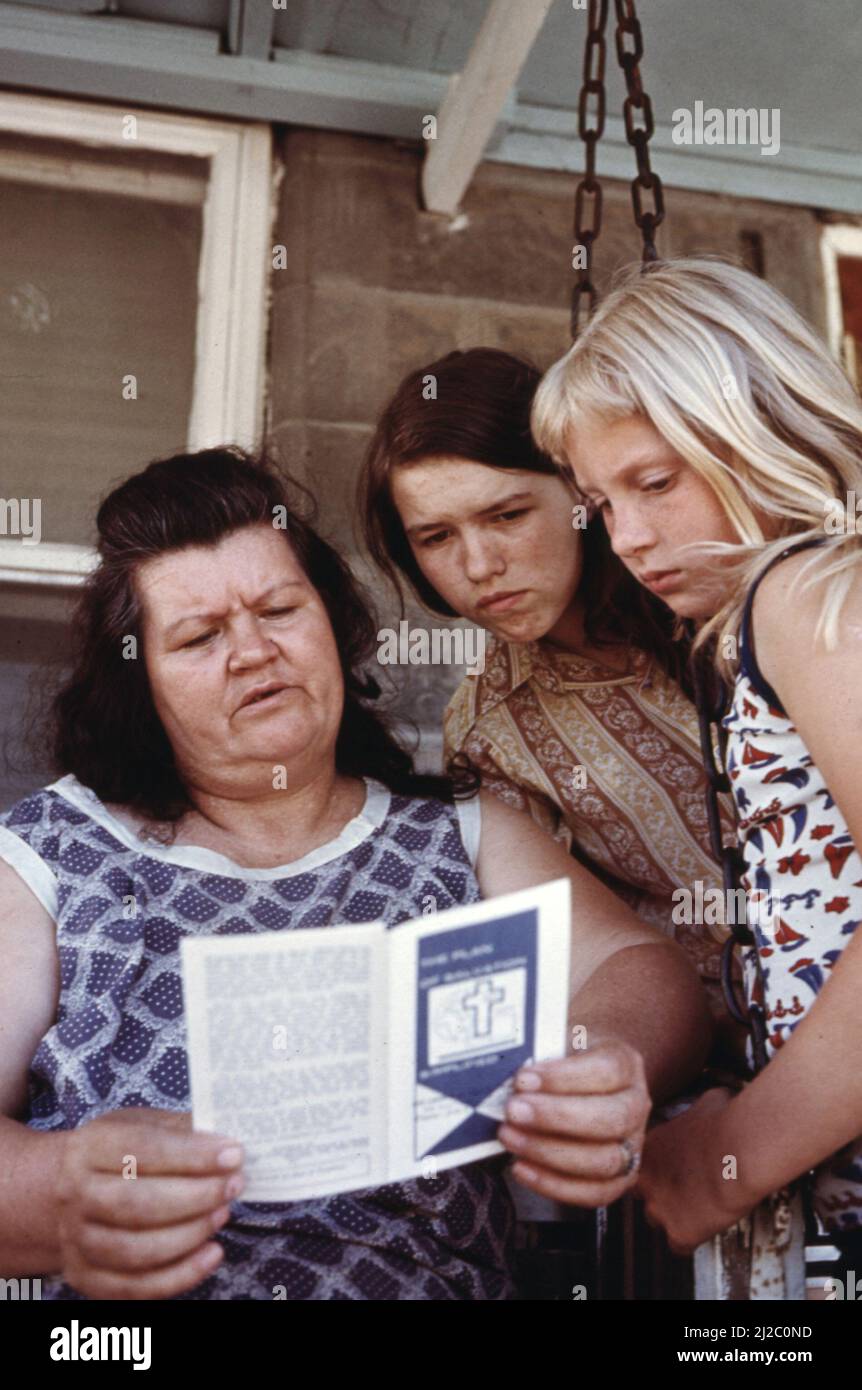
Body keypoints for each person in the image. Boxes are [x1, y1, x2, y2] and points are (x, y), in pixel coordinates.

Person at [0, 447, 712, 1301]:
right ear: (139, 683)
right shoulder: (52, 853)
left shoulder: (457, 831)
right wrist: (58, 1183)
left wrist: (599, 1061)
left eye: (279, 610)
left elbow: (639, 966)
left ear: (332, 625)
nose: (253, 652)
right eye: (198, 637)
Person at [531, 256, 862, 1262]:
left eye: (655, 481)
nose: (627, 536)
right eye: (601, 502)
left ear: (762, 422)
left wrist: (725, 1159)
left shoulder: (802, 595)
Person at [360, 347, 740, 1037]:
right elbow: (562, 962)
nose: (479, 566)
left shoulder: (727, 596)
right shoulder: (488, 731)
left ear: (579, 493)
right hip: (722, 1054)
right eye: (437, 536)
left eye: (507, 516)